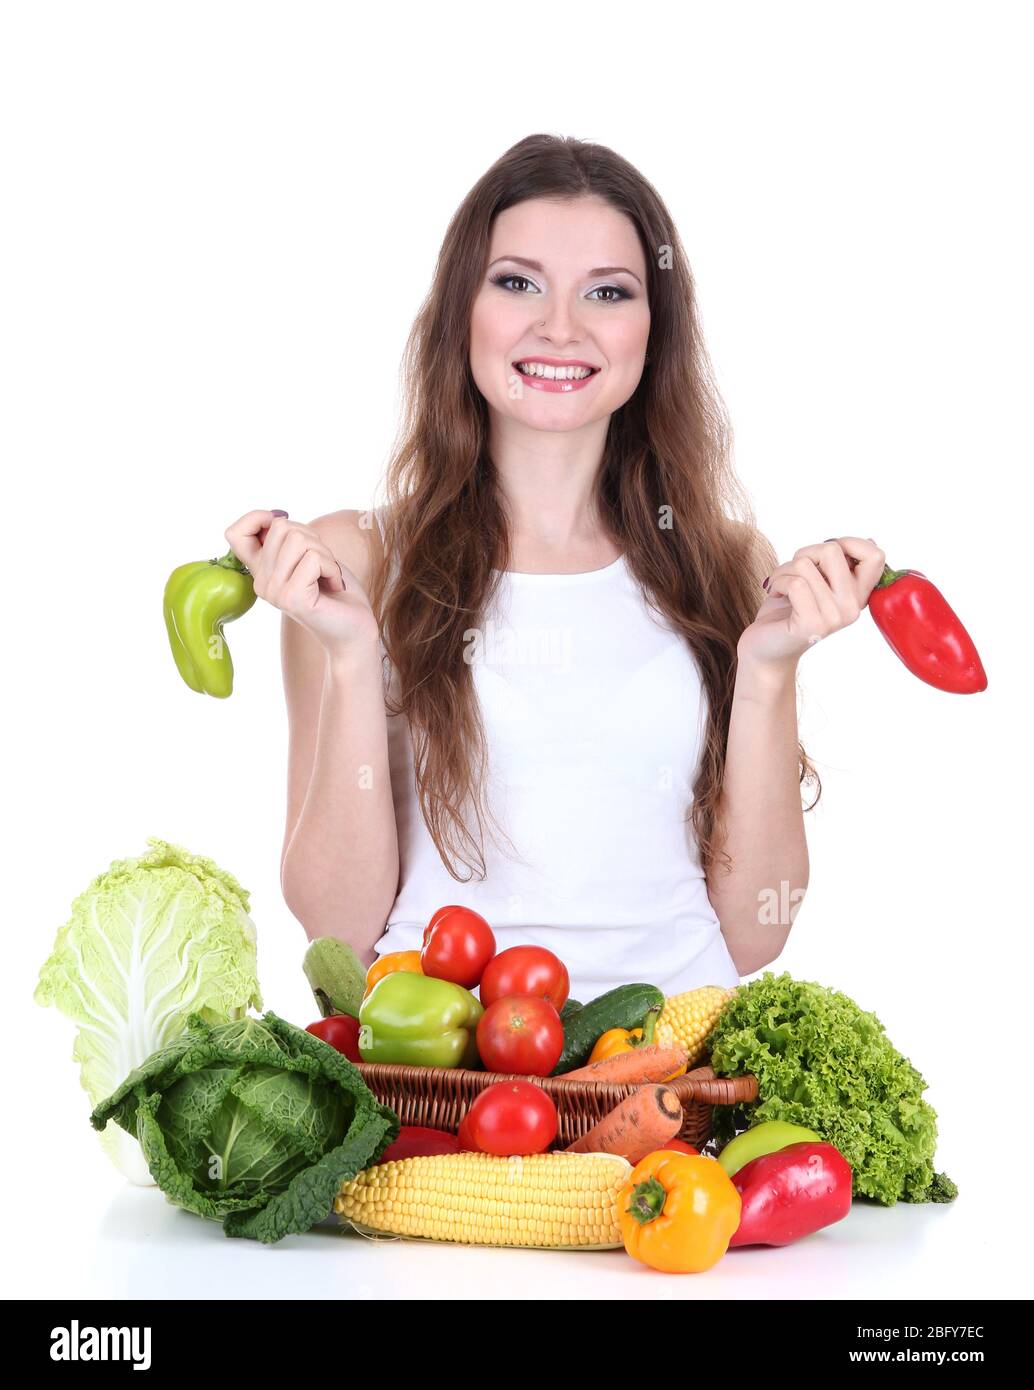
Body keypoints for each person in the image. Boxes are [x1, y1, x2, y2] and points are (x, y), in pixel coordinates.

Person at [225, 134, 886, 1003]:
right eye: (518, 282)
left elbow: (755, 930)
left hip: (675, 1095)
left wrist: (768, 673)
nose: (560, 327)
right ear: (462, 305)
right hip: (441, 1084)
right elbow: (338, 930)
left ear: (655, 330)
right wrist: (353, 655)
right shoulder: (356, 562)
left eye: (607, 293)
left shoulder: (724, 563)